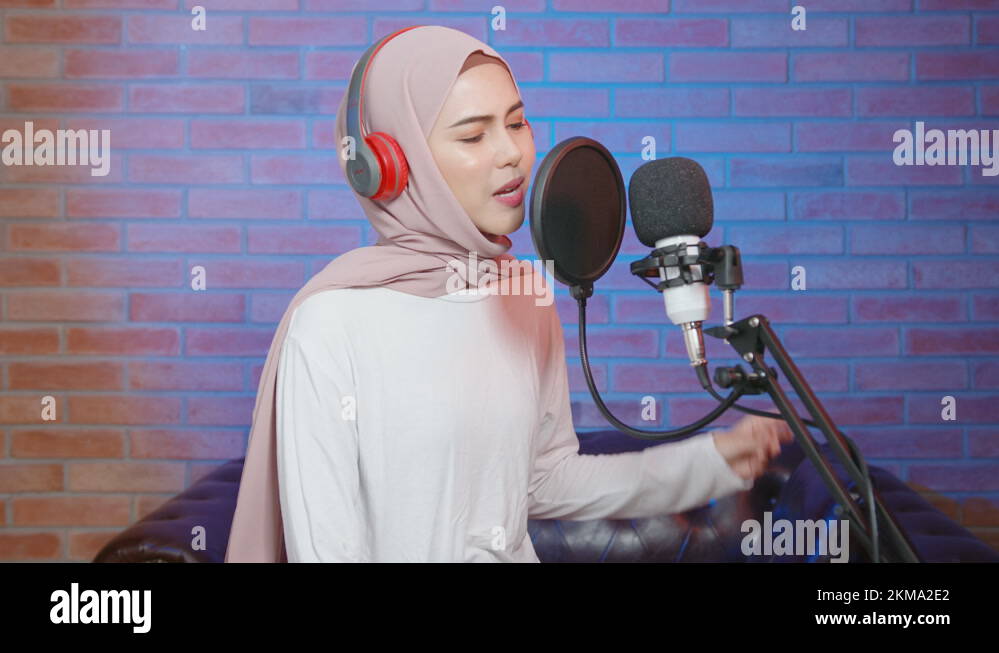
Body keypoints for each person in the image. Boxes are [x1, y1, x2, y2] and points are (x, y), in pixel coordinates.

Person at [224, 25, 792, 563]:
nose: (512, 154)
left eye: (517, 123)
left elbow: (547, 478)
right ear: (394, 167)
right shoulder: (329, 325)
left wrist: (711, 461)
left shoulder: (524, 292)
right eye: (473, 134)